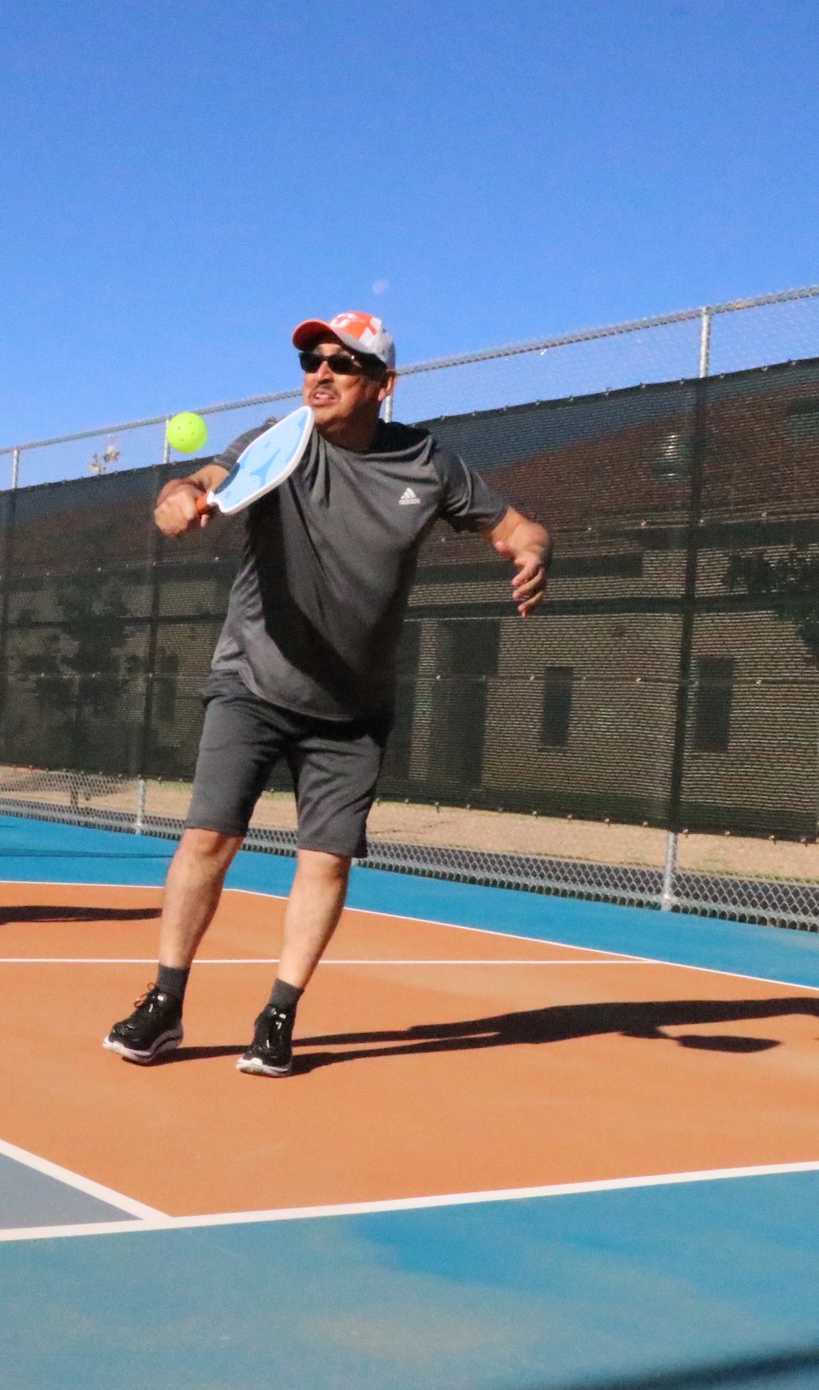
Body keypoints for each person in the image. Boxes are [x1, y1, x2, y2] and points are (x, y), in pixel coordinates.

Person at [104, 311, 551, 1077]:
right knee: (209, 838)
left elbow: (518, 526)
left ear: (383, 385)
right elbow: (203, 482)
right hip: (254, 679)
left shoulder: (428, 464)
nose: (320, 374)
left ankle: (278, 1017)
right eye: (312, 359)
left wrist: (532, 552)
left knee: (325, 862)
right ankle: (165, 1004)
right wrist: (178, 495)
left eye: (342, 364)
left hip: (353, 707)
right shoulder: (280, 441)